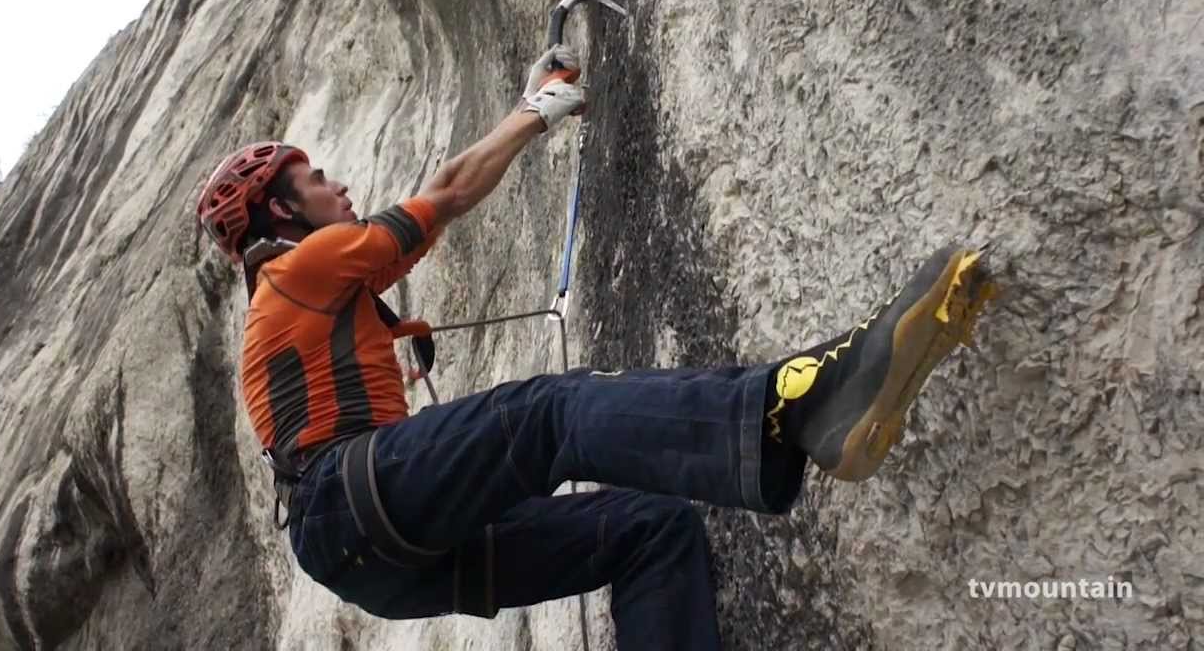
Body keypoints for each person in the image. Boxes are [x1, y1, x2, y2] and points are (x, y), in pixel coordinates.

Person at [194, 45, 995, 650]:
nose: (338, 186)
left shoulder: (302, 296)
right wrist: (538, 108)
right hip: (356, 493)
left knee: (652, 531)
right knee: (550, 412)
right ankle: (794, 407)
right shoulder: (302, 266)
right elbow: (448, 192)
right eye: (316, 181)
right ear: (281, 215)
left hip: (367, 561)